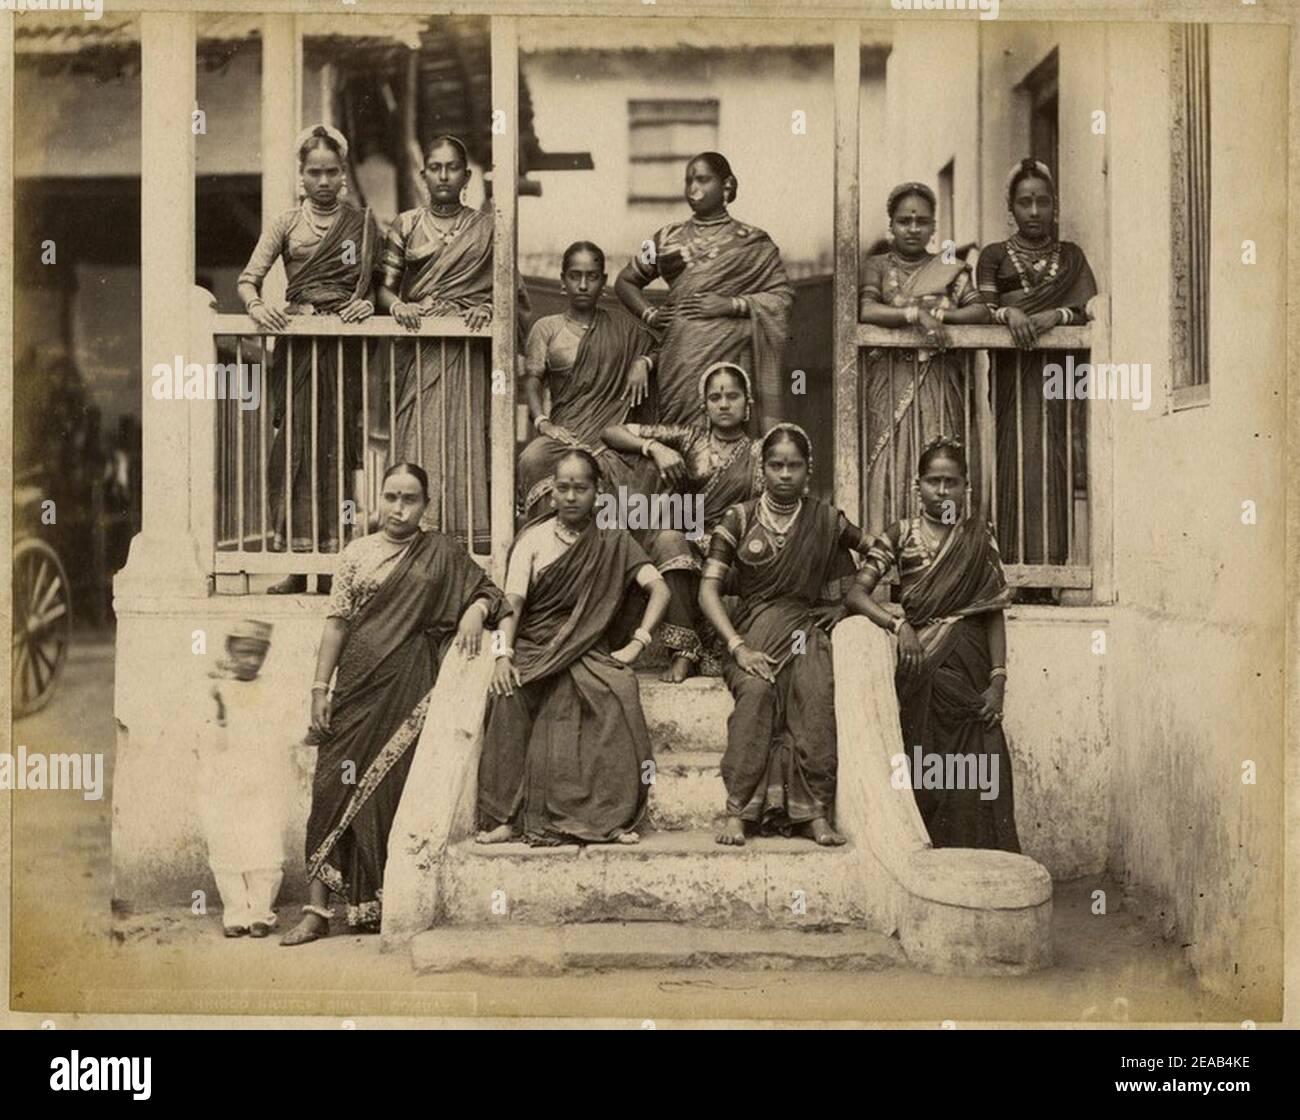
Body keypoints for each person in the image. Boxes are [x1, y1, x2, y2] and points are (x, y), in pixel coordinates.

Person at [281, 463, 507, 945]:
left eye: (409, 499)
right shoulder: (356, 555)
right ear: (378, 498)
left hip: (409, 686)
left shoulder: (441, 551)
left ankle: (380, 904)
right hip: (357, 686)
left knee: (388, 791)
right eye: (390, 497)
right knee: (330, 788)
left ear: (426, 506)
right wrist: (320, 689)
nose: (397, 508)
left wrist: (474, 610)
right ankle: (316, 910)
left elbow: (491, 591)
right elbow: (337, 623)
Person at [476, 449, 671, 846]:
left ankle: (608, 816)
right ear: (550, 494)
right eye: (562, 488)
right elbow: (509, 605)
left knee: (618, 696)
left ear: (597, 493)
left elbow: (660, 589)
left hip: (587, 649)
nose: (570, 496)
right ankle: (505, 818)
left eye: (580, 488)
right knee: (507, 694)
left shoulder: (614, 540)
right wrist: (502, 655)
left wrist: (638, 642)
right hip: (534, 646)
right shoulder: (532, 540)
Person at [846, 435, 1020, 852]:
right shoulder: (900, 535)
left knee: (984, 763)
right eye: (933, 481)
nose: (942, 491)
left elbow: (991, 610)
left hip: (972, 671)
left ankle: (983, 866)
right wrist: (898, 625)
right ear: (917, 486)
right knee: (926, 766)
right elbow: (856, 595)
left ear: (966, 488)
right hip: (921, 668)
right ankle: (936, 863)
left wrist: (997, 682)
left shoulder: (980, 537)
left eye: (952, 482)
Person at [698, 424, 868, 847]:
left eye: (795, 465)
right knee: (755, 694)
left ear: (808, 471)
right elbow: (707, 590)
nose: (786, 474)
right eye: (777, 465)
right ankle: (738, 810)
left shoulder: (826, 519)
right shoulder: (738, 518)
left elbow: (881, 549)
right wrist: (738, 648)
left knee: (813, 697)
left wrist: (846, 604)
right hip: (752, 634)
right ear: (763, 469)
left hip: (805, 631)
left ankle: (814, 814)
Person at [237, 124, 381, 594]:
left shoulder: (361, 223)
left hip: (342, 351)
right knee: (298, 449)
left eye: (332, 172)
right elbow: (247, 280)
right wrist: (259, 308)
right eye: (314, 172)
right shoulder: (285, 223)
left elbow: (379, 284)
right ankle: (300, 564)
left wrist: (371, 305)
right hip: (301, 350)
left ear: (343, 175)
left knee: (337, 449)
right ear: (301, 175)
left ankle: (338, 564)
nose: (323, 181)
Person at [601, 361, 764, 682]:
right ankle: (684, 652)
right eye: (715, 398)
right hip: (690, 550)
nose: (724, 404)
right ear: (705, 406)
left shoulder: (761, 451)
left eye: (733, 396)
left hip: (736, 553)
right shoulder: (689, 439)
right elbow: (610, 432)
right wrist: (654, 447)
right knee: (666, 539)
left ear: (748, 404)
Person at [977, 158, 1098, 566]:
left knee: (1053, 460)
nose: (1034, 212)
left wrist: (1055, 316)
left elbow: (1086, 308)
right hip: (1014, 377)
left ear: (1054, 206)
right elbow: (982, 306)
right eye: (1025, 202)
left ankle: (1052, 569)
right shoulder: (993, 256)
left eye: (1042, 202)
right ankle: (1013, 565)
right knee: (1015, 458)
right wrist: (1007, 314)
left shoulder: (1071, 258)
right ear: (1009, 207)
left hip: (1056, 379)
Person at [614, 152, 793, 429]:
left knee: (729, 436)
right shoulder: (665, 238)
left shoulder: (754, 242)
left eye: (703, 180)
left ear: (727, 185)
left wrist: (730, 305)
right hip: (679, 360)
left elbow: (781, 298)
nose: (693, 189)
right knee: (680, 439)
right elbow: (625, 282)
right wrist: (650, 314)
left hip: (731, 358)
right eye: (688, 181)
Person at [378, 136, 497, 550]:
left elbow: (506, 295)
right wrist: (397, 308)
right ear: (423, 173)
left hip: (465, 356)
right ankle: (413, 538)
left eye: (452, 168)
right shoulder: (406, 224)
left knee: (465, 440)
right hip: (420, 349)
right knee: (416, 439)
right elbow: (385, 290)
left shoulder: (486, 228)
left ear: (466, 176)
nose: (443, 175)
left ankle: (467, 544)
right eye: (435, 167)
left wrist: (487, 306)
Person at [858, 182, 989, 532]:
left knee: (940, 458)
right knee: (889, 462)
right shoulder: (877, 266)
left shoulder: (948, 266)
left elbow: (980, 311)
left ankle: (944, 555)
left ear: (933, 227)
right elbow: (866, 308)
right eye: (904, 221)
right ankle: (888, 557)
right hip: (890, 379)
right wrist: (916, 315)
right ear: (892, 224)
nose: (913, 229)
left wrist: (943, 315)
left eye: (921, 221)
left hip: (937, 379)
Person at [517, 241, 657, 522]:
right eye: (575, 276)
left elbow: (661, 349)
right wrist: (544, 423)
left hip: (612, 438)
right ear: (563, 280)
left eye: (591, 277)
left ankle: (615, 548)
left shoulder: (625, 328)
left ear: (603, 281)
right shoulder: (547, 328)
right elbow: (532, 379)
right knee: (532, 458)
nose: (583, 284)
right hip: (564, 436)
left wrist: (643, 362)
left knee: (648, 468)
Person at [197, 620, 292, 938]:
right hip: (225, 784)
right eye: (244, 653)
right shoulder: (217, 689)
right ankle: (235, 913)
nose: (251, 661)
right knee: (227, 846)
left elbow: (279, 733)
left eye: (258, 654)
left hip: (262, 782)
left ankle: (261, 914)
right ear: (231, 652)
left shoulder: (272, 688)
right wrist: (219, 706)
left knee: (263, 847)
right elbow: (210, 738)